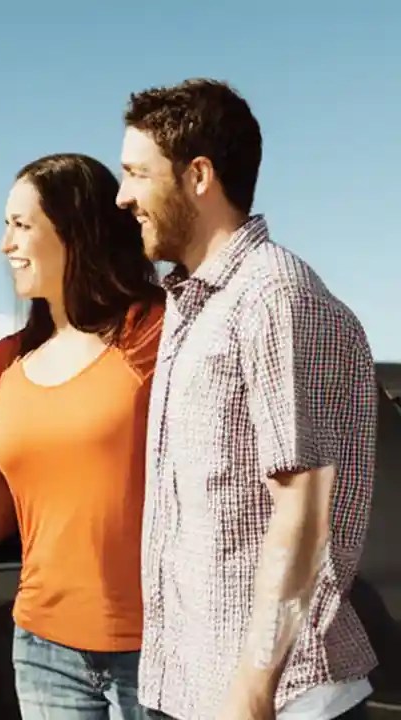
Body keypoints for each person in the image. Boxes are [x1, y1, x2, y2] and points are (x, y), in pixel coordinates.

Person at [116, 78, 378, 720]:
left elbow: (303, 509)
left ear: (198, 175)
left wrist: (251, 690)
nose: (123, 197)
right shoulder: (192, 303)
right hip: (188, 687)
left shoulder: (274, 297)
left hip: (275, 700)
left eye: (136, 174)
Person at [0, 153, 164, 719]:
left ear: (76, 232)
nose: (5, 245)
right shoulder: (9, 359)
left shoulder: (155, 331)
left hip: (158, 648)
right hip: (44, 649)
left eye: (21, 226)